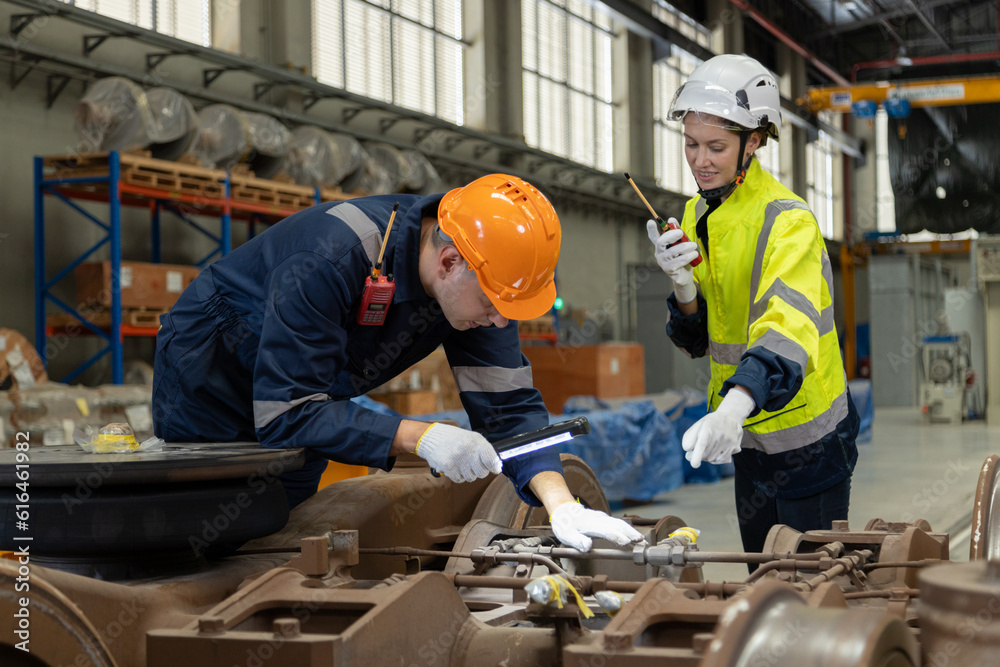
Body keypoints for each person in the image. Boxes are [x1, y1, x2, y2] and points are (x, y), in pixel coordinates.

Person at [153, 172, 643, 553]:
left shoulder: (484, 281)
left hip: (305, 389)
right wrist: (419, 436)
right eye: (494, 306)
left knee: (281, 529)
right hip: (211, 368)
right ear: (449, 263)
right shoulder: (330, 257)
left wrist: (561, 503)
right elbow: (288, 413)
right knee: (209, 531)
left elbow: (509, 411)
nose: (499, 323)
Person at [647, 54, 859, 556]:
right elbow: (699, 340)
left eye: (716, 147)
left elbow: (786, 327)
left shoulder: (789, 222)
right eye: (691, 144)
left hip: (807, 440)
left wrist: (733, 409)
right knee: (763, 582)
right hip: (747, 439)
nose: (700, 160)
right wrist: (682, 287)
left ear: (754, 141)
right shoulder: (697, 213)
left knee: (811, 587)